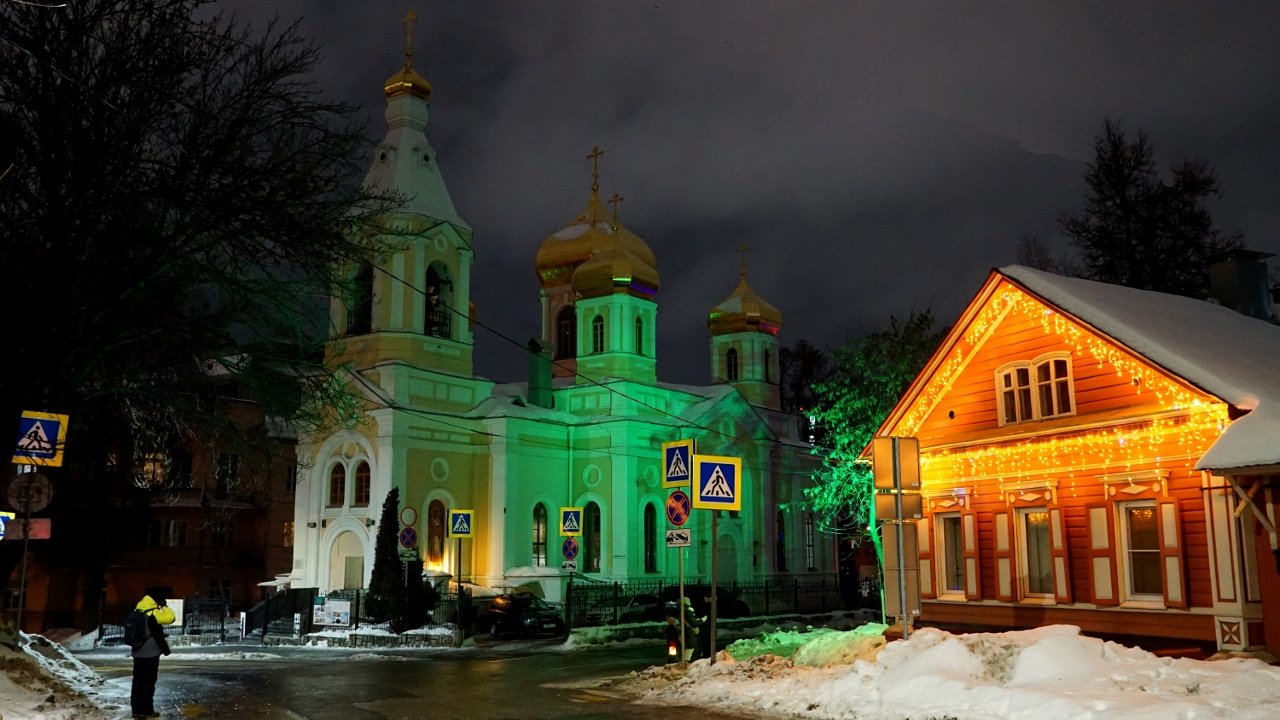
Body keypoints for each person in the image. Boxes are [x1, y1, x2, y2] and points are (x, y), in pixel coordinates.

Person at [128, 593, 175, 719]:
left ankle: (136, 710)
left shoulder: (136, 612)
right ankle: (147, 711)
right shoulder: (153, 613)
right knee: (148, 682)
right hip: (151, 654)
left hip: (137, 652)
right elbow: (170, 618)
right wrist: (164, 607)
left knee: (137, 681)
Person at [679, 596, 701, 662]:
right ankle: (687, 663)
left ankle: (686, 662)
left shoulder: (682, 612)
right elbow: (693, 623)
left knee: (689, 650)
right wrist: (702, 620)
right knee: (690, 650)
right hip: (689, 635)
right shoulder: (688, 612)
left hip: (687, 634)